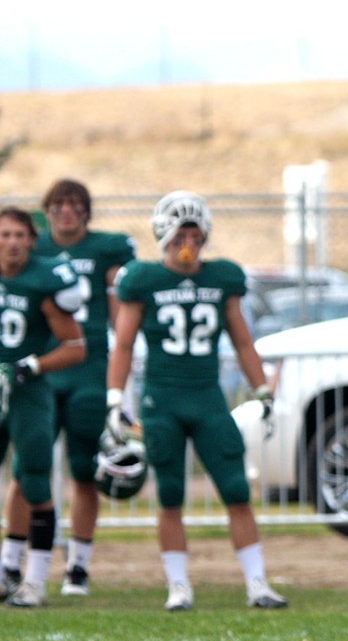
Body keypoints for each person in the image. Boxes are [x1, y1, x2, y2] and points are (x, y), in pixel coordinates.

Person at [107, 191, 289, 611]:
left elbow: (242, 341)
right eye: (179, 234)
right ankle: (178, 586)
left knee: (236, 488)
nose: (187, 243)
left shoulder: (222, 278)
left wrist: (262, 388)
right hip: (162, 398)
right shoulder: (143, 279)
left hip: (208, 397)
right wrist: (115, 399)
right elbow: (124, 345)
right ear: (163, 236)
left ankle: (257, 583)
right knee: (170, 492)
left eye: (194, 234)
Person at [0, 180, 137, 598]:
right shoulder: (31, 253)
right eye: (58, 204)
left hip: (79, 368)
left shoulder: (98, 252)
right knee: (26, 470)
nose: (66, 212)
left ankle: (76, 565)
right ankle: (11, 564)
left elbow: (115, 318)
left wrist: (121, 390)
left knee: (81, 467)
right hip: (28, 372)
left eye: (74, 205)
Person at [0, 207, 88, 608]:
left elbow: (75, 347)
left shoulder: (42, 282)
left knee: (35, 480)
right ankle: (8, 570)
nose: (12, 242)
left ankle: (34, 580)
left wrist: (29, 366)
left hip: (27, 391)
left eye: (20, 235)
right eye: (5, 234)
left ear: (32, 241)